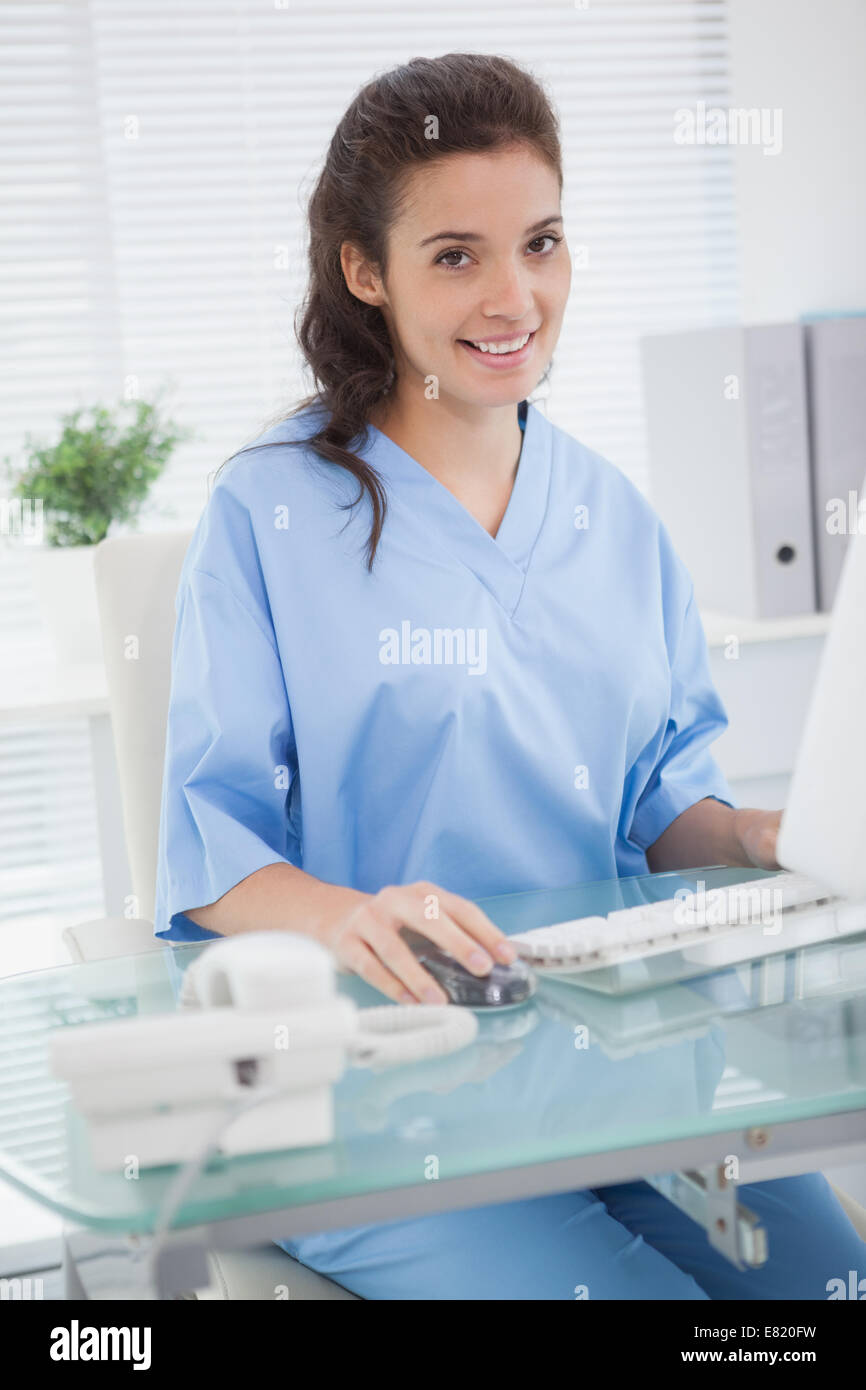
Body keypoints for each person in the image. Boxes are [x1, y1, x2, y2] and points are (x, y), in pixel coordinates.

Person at [153, 52, 865, 1298]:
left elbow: (653, 814)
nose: (513, 296)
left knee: (823, 1291)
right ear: (362, 271)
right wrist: (348, 916)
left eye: (539, 241)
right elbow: (211, 854)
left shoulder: (610, 513)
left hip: (624, 1068)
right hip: (376, 1100)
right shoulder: (265, 514)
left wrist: (766, 832)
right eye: (454, 254)